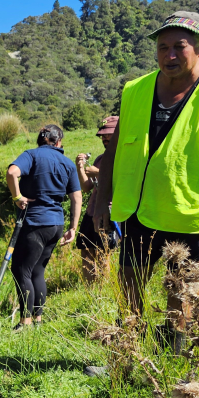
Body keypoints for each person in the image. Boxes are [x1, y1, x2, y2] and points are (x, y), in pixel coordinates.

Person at [93, 11, 199, 348]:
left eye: (179, 47)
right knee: (129, 283)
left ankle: (174, 360)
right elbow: (115, 149)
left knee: (182, 293)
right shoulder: (136, 89)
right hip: (139, 209)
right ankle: (128, 352)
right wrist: (100, 198)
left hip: (194, 215)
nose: (170, 55)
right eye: (162, 47)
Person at [6, 124, 82, 329]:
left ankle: (25, 323)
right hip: (56, 224)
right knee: (37, 271)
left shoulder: (31, 155)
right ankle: (38, 320)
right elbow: (76, 197)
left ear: (40, 140)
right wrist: (73, 228)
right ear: (58, 142)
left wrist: (17, 197)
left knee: (21, 270)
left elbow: (12, 172)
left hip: (34, 223)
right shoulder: (68, 163)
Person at [75, 116, 119, 283]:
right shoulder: (101, 159)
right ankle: (90, 289)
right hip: (91, 212)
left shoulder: (123, 157)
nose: (105, 138)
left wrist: (98, 173)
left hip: (107, 211)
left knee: (102, 253)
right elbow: (87, 187)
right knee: (86, 251)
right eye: (103, 135)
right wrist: (80, 167)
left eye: (109, 134)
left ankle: (104, 288)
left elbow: (121, 181)